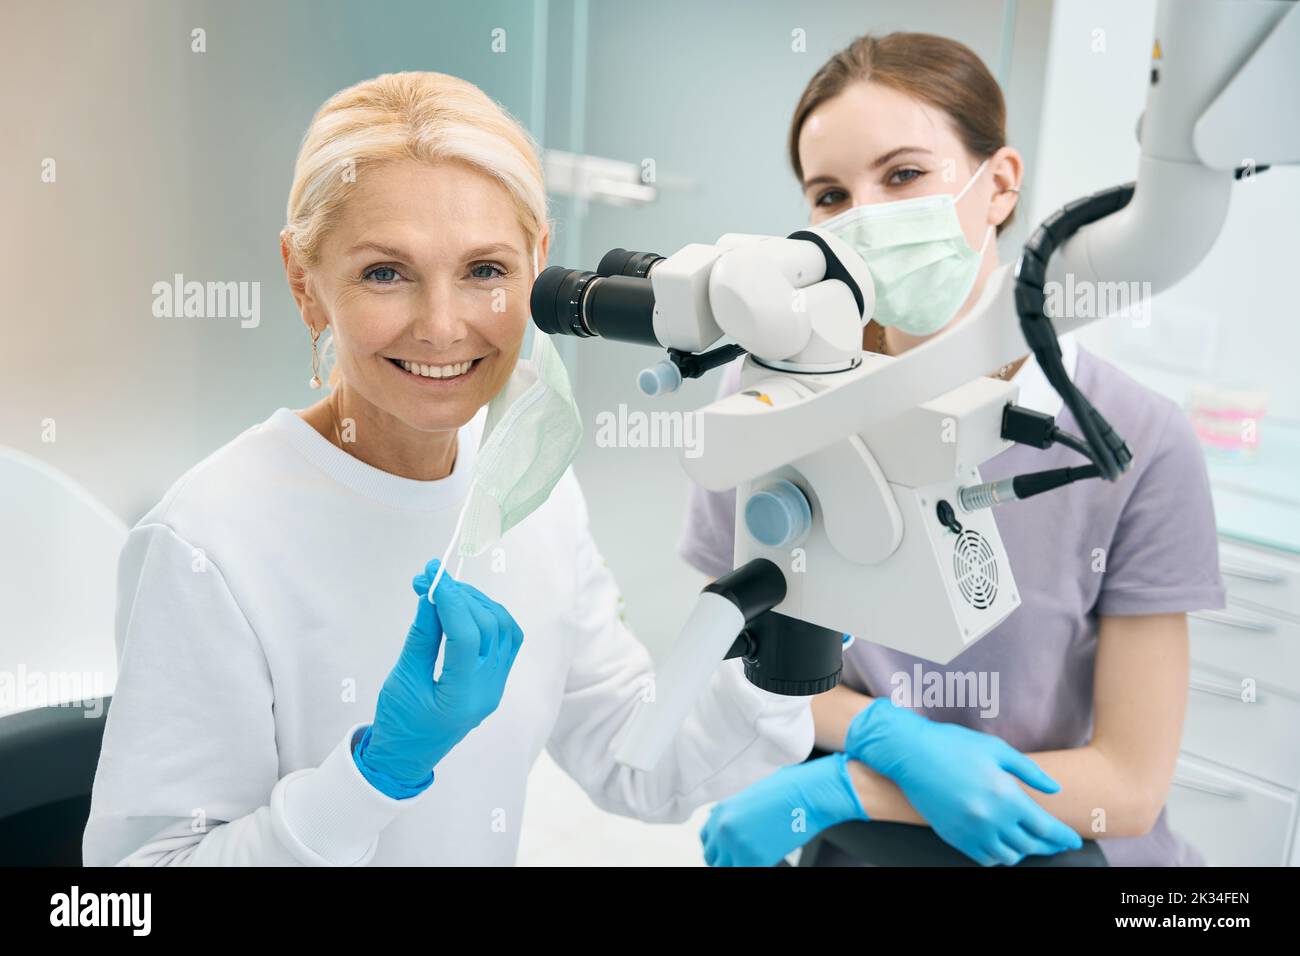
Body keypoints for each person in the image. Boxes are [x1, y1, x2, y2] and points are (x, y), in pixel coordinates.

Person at [82, 71, 813, 866]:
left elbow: (630, 759)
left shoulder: (528, 486)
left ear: (539, 263)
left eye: (485, 271)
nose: (442, 327)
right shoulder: (207, 543)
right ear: (305, 282)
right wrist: (375, 775)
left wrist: (800, 633)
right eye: (385, 273)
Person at [686, 33, 1225, 867]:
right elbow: (730, 655)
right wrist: (880, 730)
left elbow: (1125, 788)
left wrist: (853, 782)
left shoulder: (1137, 441)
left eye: (903, 175)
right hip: (856, 847)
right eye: (830, 195)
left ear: (998, 184)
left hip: (1056, 840)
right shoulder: (772, 405)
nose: (864, 217)